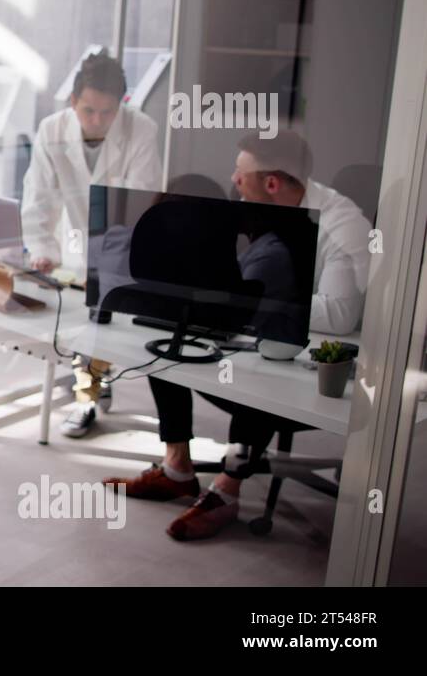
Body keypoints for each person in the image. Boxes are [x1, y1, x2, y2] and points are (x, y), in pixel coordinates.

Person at [105, 130, 372, 540]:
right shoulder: (254, 209)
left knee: (258, 371)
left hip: (317, 364)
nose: (233, 179)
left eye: (241, 172)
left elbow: (339, 314)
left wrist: (259, 304)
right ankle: (177, 469)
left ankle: (227, 493)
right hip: (259, 333)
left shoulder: (342, 224)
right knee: (170, 337)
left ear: (271, 183)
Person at [21, 51, 162, 437]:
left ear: (122, 105)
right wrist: (42, 248)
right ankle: (91, 391)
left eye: (107, 112)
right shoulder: (52, 130)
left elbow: (138, 203)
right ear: (73, 102)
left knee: (106, 325)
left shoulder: (142, 130)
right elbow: (39, 196)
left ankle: (91, 392)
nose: (97, 121)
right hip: (76, 242)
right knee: (81, 325)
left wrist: (110, 261)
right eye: (88, 110)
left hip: (128, 244)